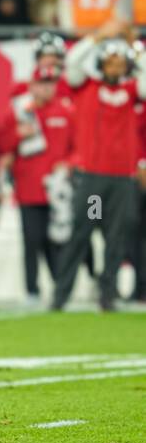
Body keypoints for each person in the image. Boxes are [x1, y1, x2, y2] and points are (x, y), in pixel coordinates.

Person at [51, 32, 144, 311]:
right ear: (101, 64)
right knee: (83, 233)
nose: (114, 68)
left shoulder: (132, 92)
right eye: (110, 63)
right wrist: (97, 37)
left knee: (115, 238)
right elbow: (73, 60)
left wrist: (135, 48)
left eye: (119, 63)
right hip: (94, 181)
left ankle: (108, 295)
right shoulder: (86, 87)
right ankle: (61, 295)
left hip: (122, 181)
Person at [0, 63, 75, 303]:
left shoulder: (66, 111)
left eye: (50, 84)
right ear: (32, 86)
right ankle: (31, 289)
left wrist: (67, 165)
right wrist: (17, 135)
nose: (46, 89)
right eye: (41, 84)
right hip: (29, 188)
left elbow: (79, 148)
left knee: (58, 240)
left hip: (58, 190)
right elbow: (1, 147)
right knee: (31, 240)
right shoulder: (19, 112)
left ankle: (60, 287)